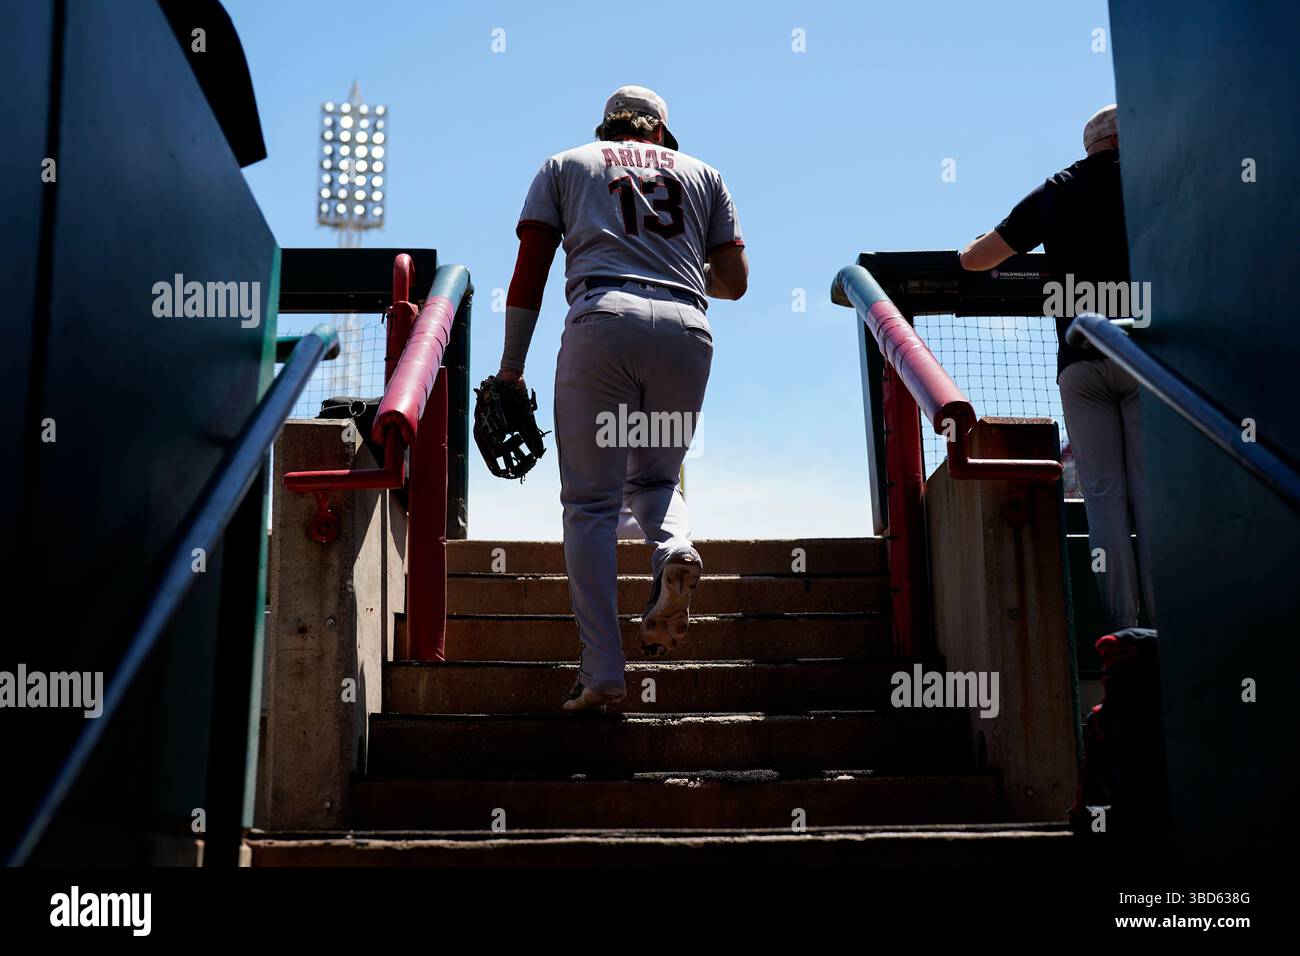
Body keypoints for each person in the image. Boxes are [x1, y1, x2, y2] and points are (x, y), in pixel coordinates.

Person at [496, 86, 748, 712]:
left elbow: (529, 274)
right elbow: (736, 284)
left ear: (607, 129)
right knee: (656, 480)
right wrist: (673, 266)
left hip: (602, 318)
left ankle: (602, 669)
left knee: (591, 504)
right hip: (687, 325)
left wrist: (510, 370)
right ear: (662, 132)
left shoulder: (566, 163)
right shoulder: (705, 174)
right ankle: (674, 549)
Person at [959, 104, 1156, 631]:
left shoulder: (1057, 190)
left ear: (1090, 144)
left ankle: (1123, 627)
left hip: (1079, 360)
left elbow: (976, 260)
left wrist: (971, 245)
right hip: (1145, 358)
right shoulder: (1153, 182)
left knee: (1103, 496)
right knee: (1150, 490)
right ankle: (1168, 623)